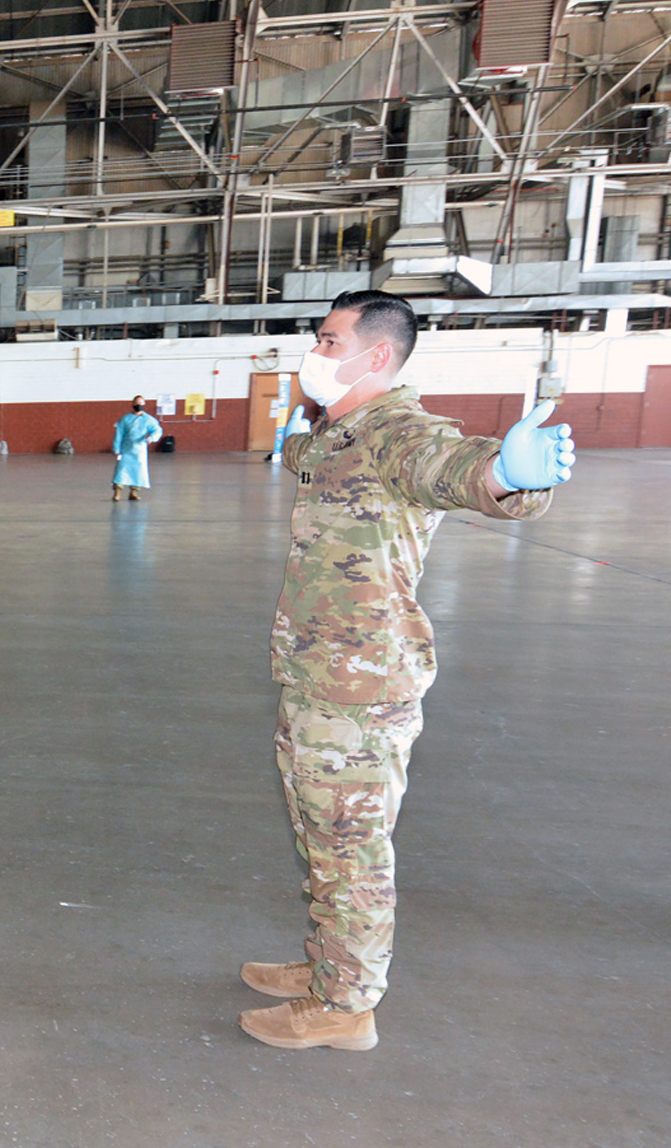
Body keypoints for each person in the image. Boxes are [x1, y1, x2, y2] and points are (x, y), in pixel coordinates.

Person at [238, 289, 573, 1051]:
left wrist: (510, 475)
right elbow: (311, 457)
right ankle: (330, 964)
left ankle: (347, 1006)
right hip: (320, 674)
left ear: (376, 354)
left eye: (328, 341)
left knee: (351, 845)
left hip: (361, 688)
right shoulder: (341, 431)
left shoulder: (397, 431)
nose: (314, 354)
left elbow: (454, 468)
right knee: (319, 831)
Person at [111, 395, 164, 501]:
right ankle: (117, 492)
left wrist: (152, 437)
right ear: (133, 405)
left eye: (141, 403)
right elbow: (118, 434)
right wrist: (116, 449)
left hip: (140, 450)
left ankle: (134, 492)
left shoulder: (148, 420)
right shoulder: (125, 419)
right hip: (126, 449)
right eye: (137, 403)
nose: (139, 405)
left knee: (138, 471)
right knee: (121, 470)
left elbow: (157, 430)